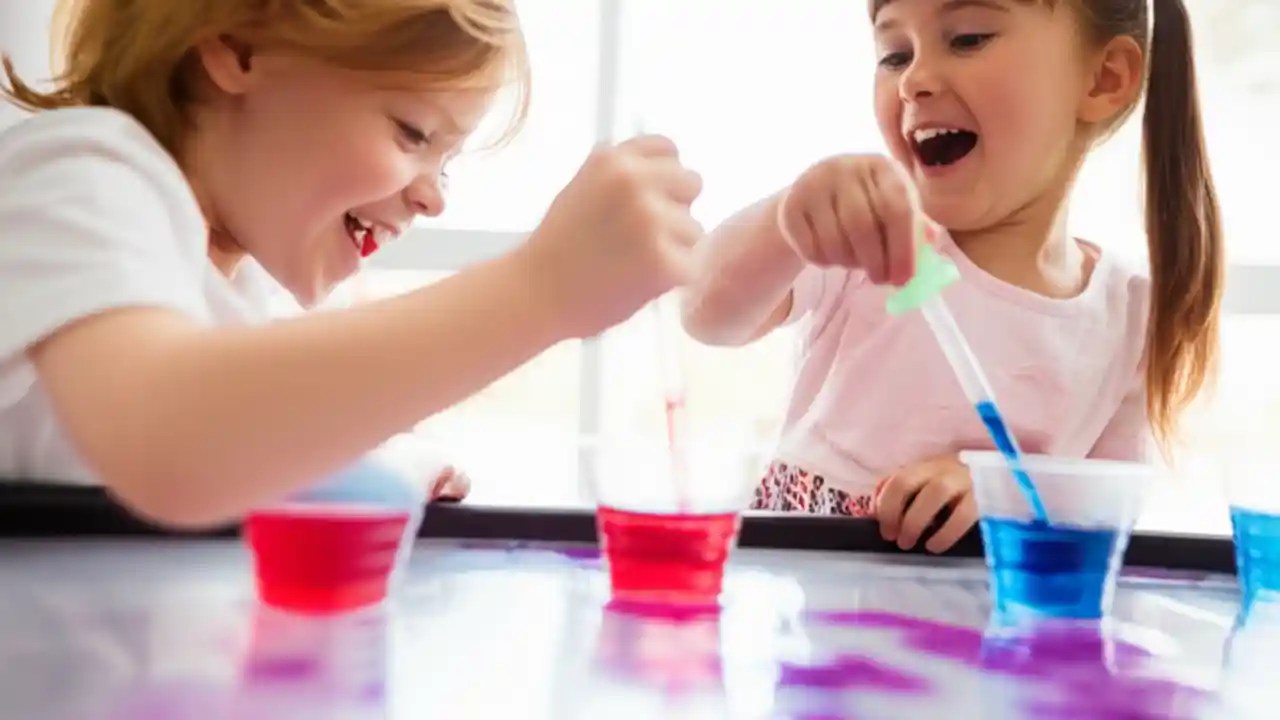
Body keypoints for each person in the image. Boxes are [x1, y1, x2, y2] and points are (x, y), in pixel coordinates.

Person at [0, 0, 703, 528]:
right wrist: (541, 289)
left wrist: (387, 461)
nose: (432, 196)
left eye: (447, 162)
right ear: (241, 45)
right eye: (414, 132)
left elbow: (252, 444)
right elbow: (171, 441)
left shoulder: (241, 291)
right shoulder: (76, 172)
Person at [681, 0, 1221, 553]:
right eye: (895, 54)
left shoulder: (1127, 313)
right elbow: (706, 313)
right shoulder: (870, 231)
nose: (914, 80)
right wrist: (787, 219)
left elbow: (1107, 518)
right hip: (816, 605)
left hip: (981, 630)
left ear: (1104, 78)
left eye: (968, 38)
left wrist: (1004, 493)